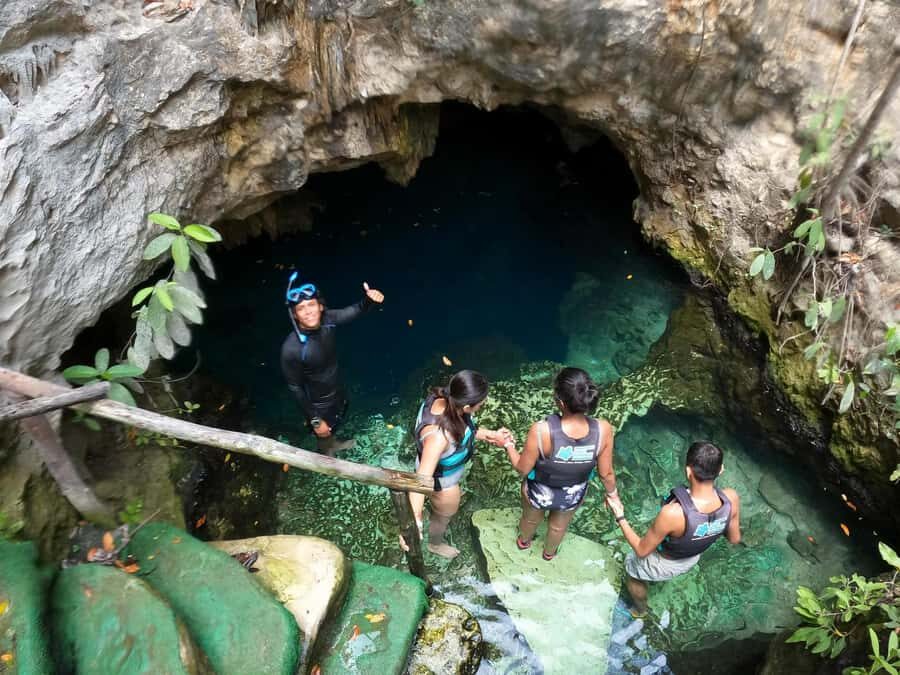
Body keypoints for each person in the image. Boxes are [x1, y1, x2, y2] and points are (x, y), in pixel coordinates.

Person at [607, 441, 741, 617]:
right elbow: (734, 539)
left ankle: (640, 611)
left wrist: (620, 516)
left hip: (664, 563)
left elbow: (641, 550)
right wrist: (711, 526)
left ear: (688, 471)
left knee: (633, 575)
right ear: (721, 470)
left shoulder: (672, 513)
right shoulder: (731, 498)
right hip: (691, 559)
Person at [504, 367, 620, 560]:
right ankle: (549, 553)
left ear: (559, 401)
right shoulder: (603, 430)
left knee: (530, 519)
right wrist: (613, 495)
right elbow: (606, 474)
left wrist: (508, 445)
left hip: (540, 492)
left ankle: (524, 542)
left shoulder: (541, 431)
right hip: (572, 494)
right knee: (559, 526)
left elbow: (522, 469)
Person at [406, 370, 514, 559]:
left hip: (444, 471)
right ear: (466, 407)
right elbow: (420, 481)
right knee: (445, 515)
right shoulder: (438, 438)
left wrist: (491, 435)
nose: (482, 406)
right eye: (481, 404)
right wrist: (415, 519)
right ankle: (435, 544)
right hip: (442, 482)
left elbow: (463, 429)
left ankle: (438, 504)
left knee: (445, 506)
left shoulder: (443, 397)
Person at [280, 272, 384, 455]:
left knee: (336, 424)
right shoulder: (292, 349)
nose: (308, 311)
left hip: (337, 390)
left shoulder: (328, 319)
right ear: (295, 315)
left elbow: (355, 310)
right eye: (301, 308)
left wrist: (369, 301)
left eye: (311, 305)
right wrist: (315, 420)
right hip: (319, 404)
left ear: (320, 306)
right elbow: (295, 387)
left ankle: (332, 443)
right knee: (324, 433)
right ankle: (326, 454)